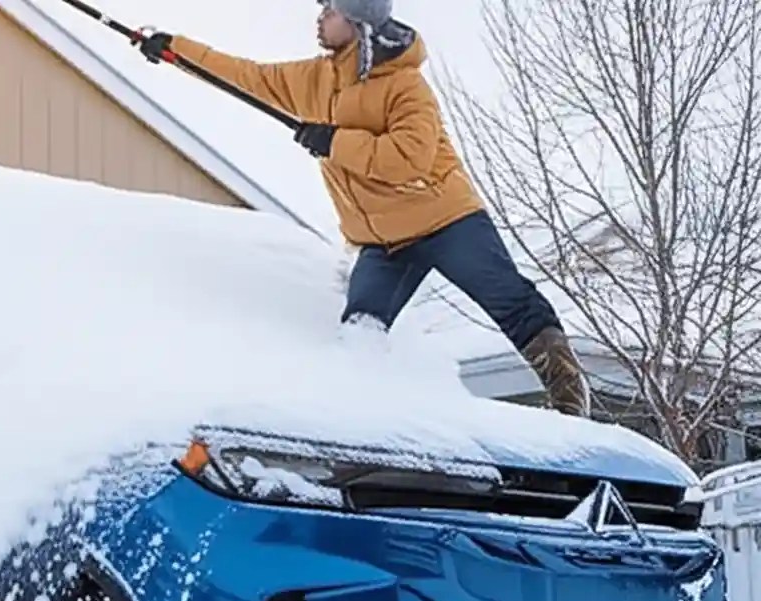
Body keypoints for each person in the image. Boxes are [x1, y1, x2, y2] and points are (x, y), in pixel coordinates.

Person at [133, 0, 592, 417]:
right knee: (360, 331)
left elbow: (409, 156)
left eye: (329, 8)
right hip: (382, 243)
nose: (319, 15)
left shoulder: (405, 85)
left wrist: (335, 141)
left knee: (512, 304)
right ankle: (366, 421)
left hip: (446, 221)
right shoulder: (314, 80)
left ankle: (572, 404)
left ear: (358, 23)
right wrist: (173, 49)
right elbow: (244, 76)